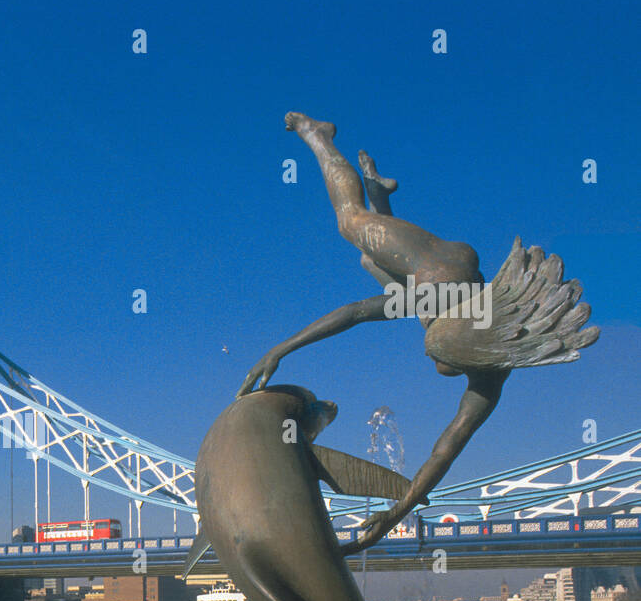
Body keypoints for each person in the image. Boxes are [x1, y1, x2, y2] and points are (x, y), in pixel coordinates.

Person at [240, 113, 598, 554]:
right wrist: (281, 349)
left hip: (438, 278)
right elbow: (353, 313)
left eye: (439, 358)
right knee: (350, 223)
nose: (430, 362)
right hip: (442, 269)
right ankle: (320, 135)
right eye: (438, 355)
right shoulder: (435, 299)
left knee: (372, 264)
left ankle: (381, 197)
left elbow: (445, 450)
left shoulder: (490, 375)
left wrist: (396, 513)